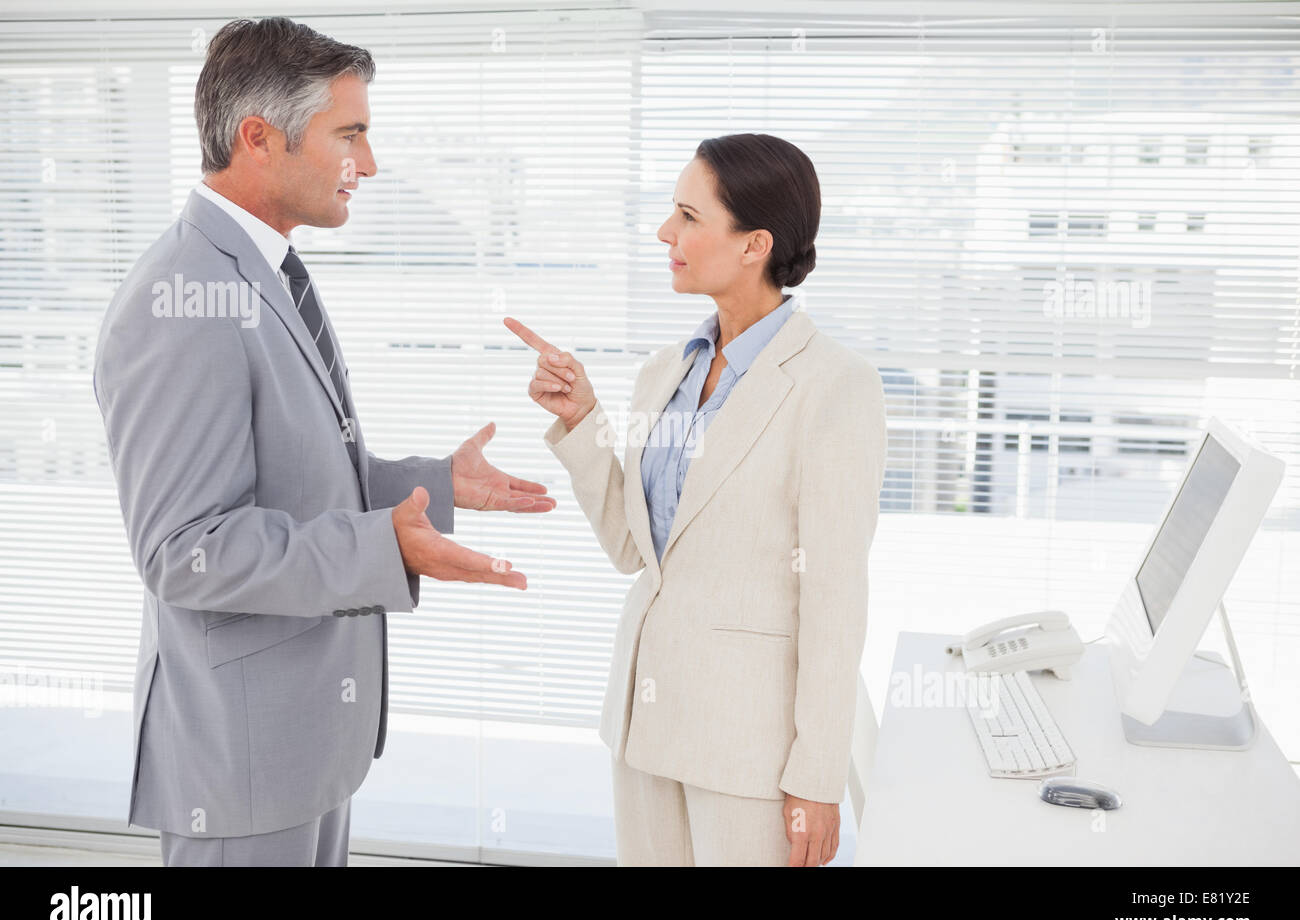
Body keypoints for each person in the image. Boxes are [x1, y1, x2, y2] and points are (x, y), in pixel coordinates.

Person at [92, 16, 552, 867]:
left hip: (298, 748)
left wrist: (435, 484)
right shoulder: (183, 300)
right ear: (258, 138)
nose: (368, 165)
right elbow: (187, 549)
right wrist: (384, 546)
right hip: (240, 764)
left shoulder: (263, 272)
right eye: (350, 135)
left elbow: (293, 481)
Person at [506, 133, 887, 866]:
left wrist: (817, 779)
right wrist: (584, 421)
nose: (664, 233)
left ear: (754, 245)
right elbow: (633, 548)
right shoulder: (663, 373)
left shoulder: (833, 386)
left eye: (687, 216)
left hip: (751, 755)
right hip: (643, 730)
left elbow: (836, 598)